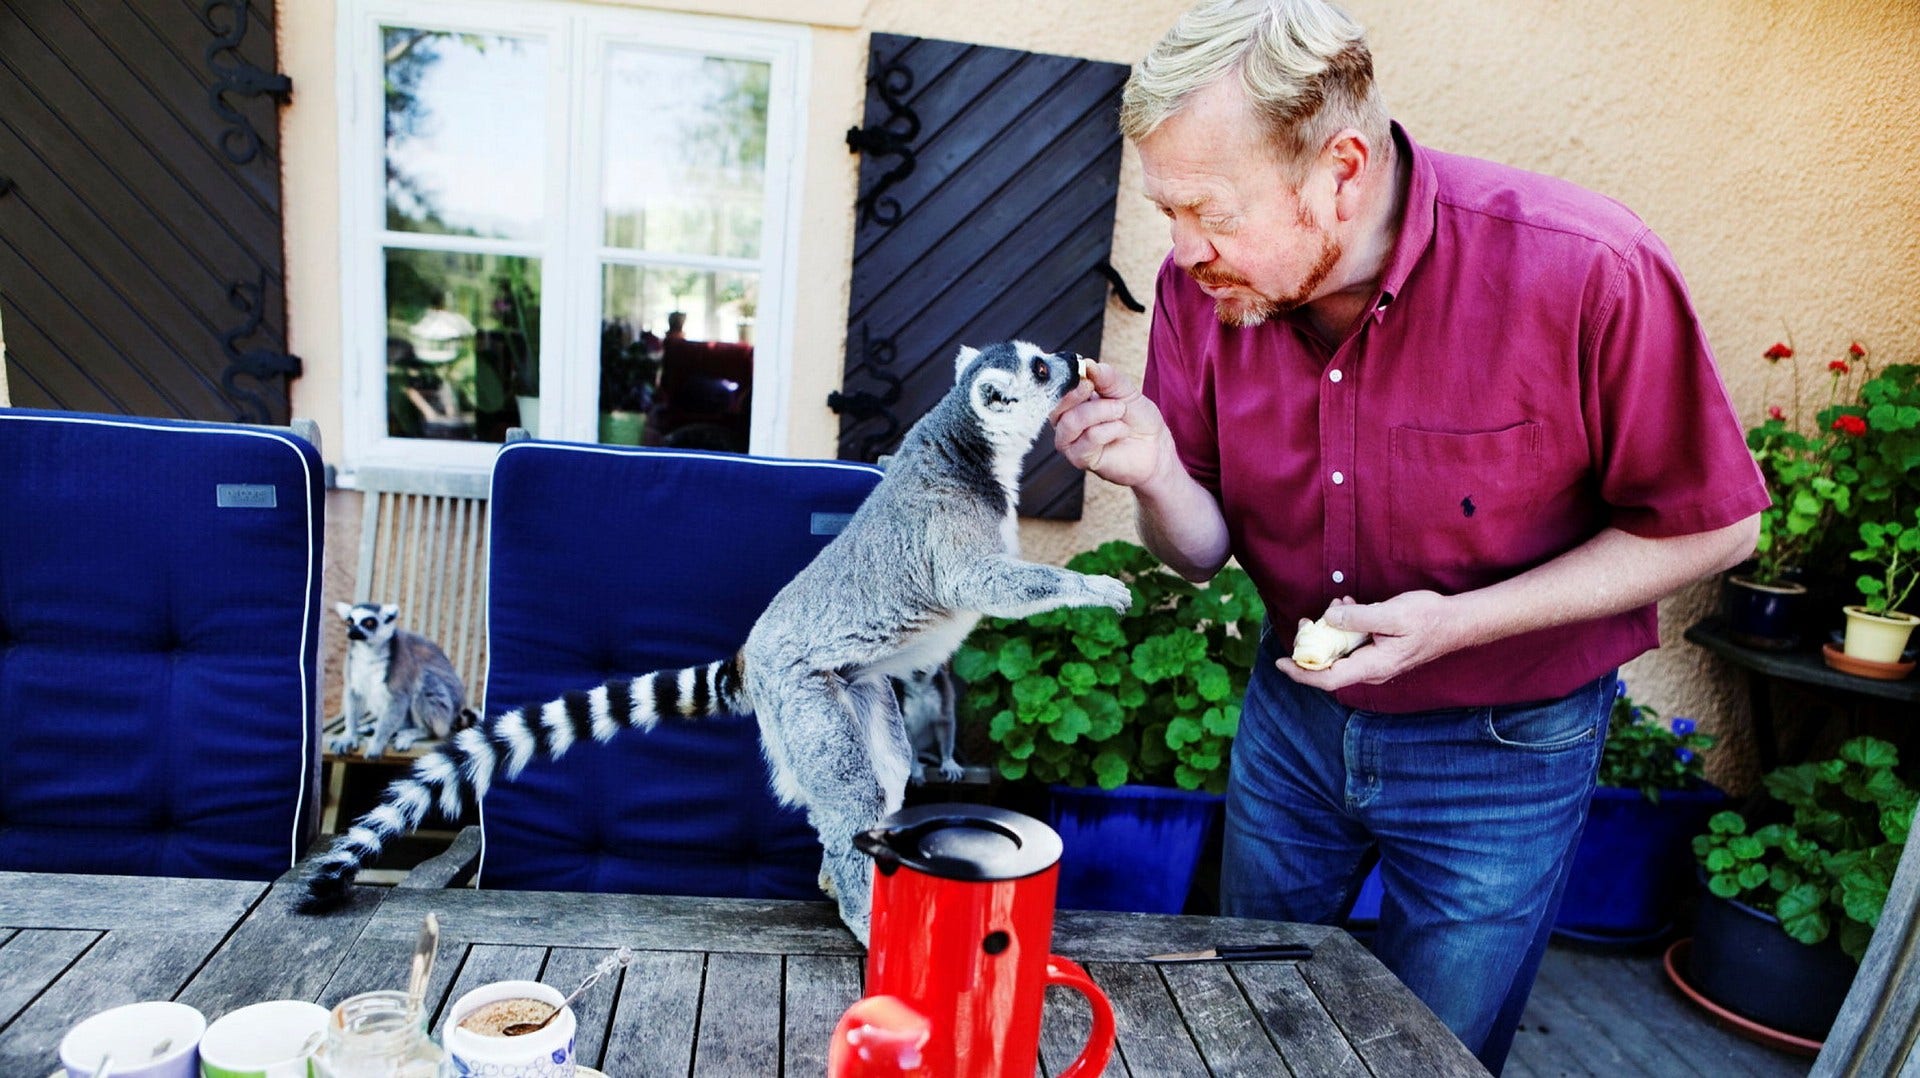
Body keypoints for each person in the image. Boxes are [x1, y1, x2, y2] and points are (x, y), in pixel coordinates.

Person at [1050, 1, 1768, 1071]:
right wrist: (1155, 469)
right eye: (1168, 210)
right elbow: (1197, 551)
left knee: (1430, 1051)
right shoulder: (1203, 288)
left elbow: (1717, 527)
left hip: (1505, 749)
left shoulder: (1586, 268)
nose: (1184, 250)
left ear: (1341, 168)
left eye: (1210, 212)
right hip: (1294, 718)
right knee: (1244, 1015)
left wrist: (1457, 625)